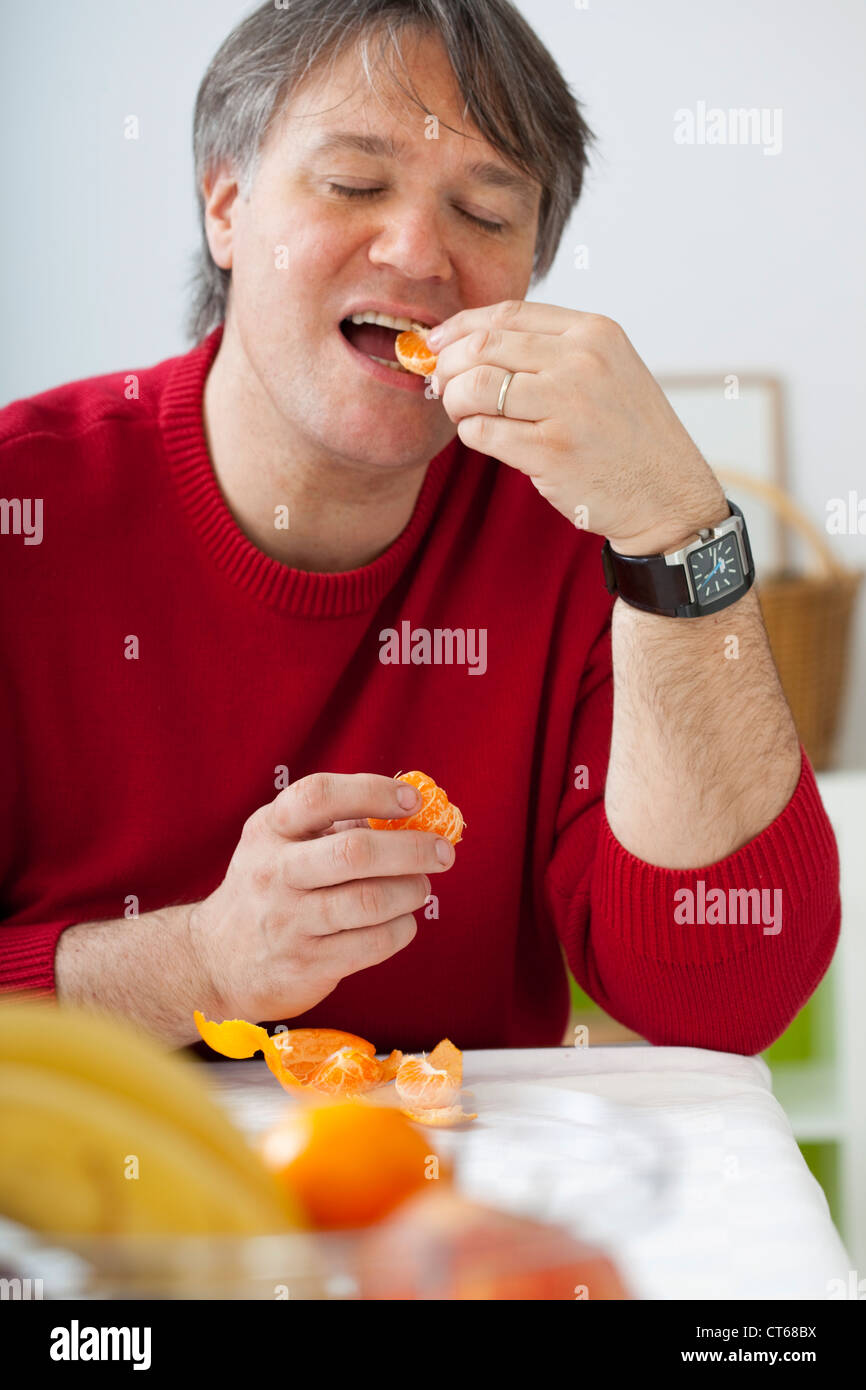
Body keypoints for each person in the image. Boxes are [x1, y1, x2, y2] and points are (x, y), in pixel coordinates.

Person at [0, 0, 839, 1055]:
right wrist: (201, 961)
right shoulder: (22, 511)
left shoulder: (585, 528)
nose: (417, 253)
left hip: (459, 1202)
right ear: (225, 206)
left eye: (485, 215)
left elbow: (722, 1000)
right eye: (353, 183)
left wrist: (675, 529)